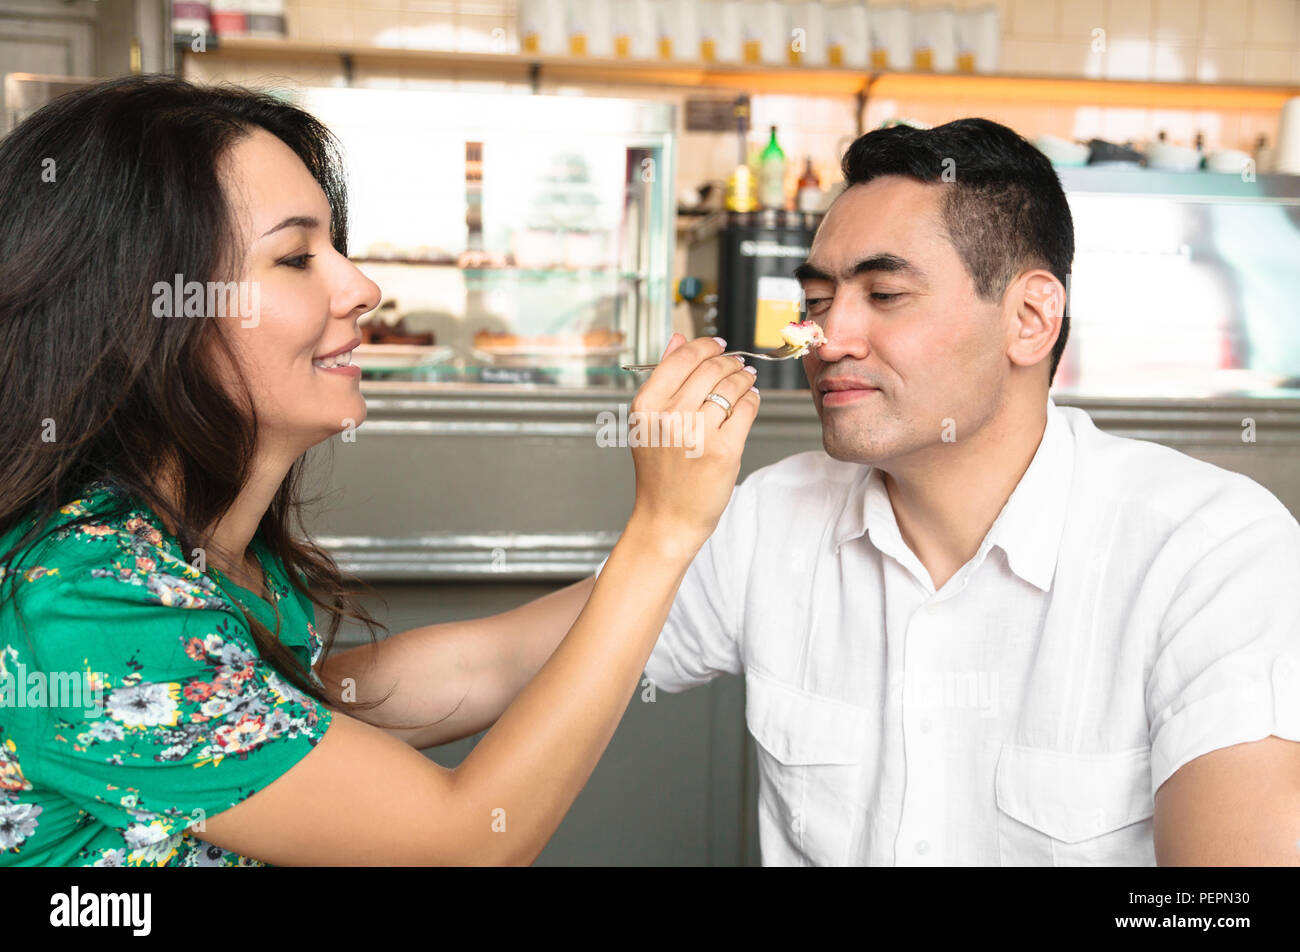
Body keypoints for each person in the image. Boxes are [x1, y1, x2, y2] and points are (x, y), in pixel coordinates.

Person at [0, 74, 759, 866]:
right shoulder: (85, 598)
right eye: (296, 257)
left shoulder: (203, 555)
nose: (362, 288)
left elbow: (418, 684)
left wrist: (709, 554)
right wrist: (661, 531)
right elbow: (460, 842)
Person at [538, 118, 1300, 865]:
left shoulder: (1210, 553)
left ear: (1031, 318)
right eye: (818, 299)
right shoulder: (772, 517)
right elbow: (492, 670)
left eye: (886, 294)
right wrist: (662, 524)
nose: (825, 339)